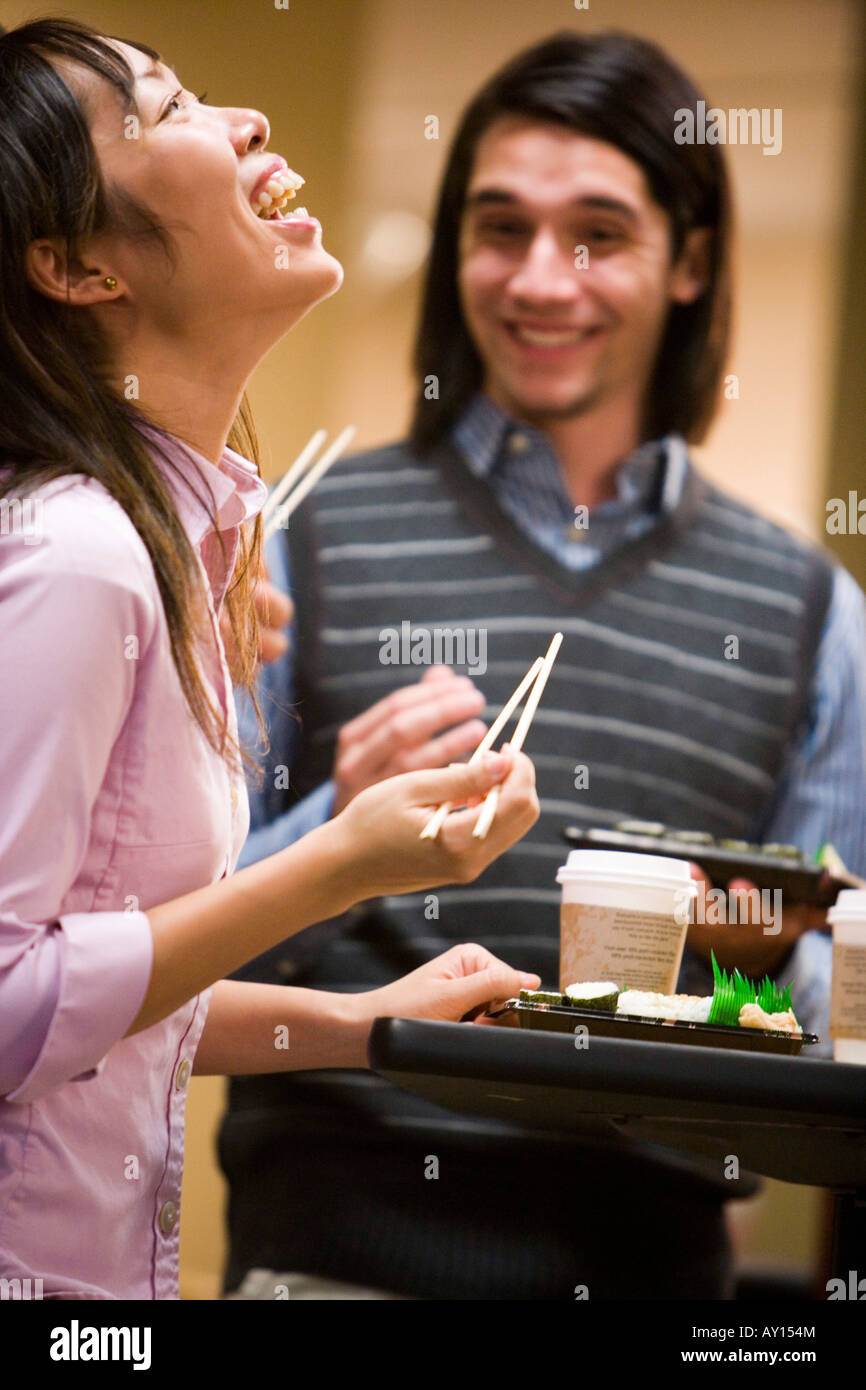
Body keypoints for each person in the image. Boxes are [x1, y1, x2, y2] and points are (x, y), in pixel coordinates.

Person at [219, 31, 866, 1300]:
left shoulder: (808, 611)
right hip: (329, 1264)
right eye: (497, 225)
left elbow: (828, 1009)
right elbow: (156, 944)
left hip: (656, 1276)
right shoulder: (296, 543)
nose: (536, 279)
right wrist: (335, 838)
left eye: (596, 235)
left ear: (687, 262)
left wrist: (760, 946)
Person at [0, 17, 543, 1302]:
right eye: (167, 107)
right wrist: (336, 863)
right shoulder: (80, 556)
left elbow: (97, 1013)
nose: (243, 119)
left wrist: (364, 1028)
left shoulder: (162, 546)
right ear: (75, 265)